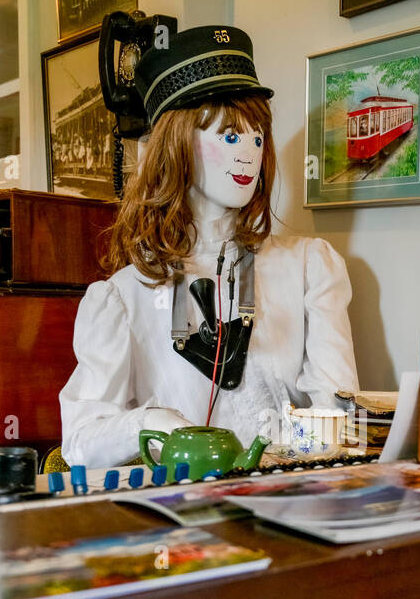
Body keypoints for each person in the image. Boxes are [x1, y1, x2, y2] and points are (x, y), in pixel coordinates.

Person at [60, 25, 359, 469]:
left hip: (289, 511)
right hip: (183, 521)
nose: (249, 153)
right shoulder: (125, 296)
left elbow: (337, 417)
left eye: (257, 135)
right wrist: (156, 424)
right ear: (176, 145)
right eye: (229, 135)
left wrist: (274, 459)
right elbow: (81, 441)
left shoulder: (310, 268)